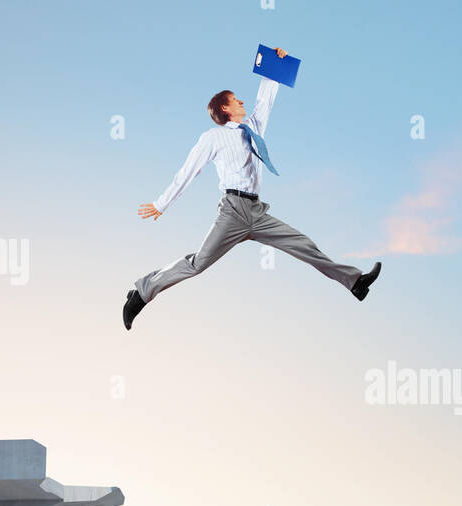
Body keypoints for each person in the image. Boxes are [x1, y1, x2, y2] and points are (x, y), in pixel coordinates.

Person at [123, 47, 381, 330]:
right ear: (225, 108)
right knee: (198, 263)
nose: (241, 101)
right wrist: (161, 204)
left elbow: (264, 101)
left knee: (303, 244)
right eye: (235, 100)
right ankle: (142, 293)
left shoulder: (253, 127)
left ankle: (355, 282)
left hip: (257, 212)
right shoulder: (213, 137)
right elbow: (188, 171)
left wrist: (274, 67)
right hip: (232, 212)